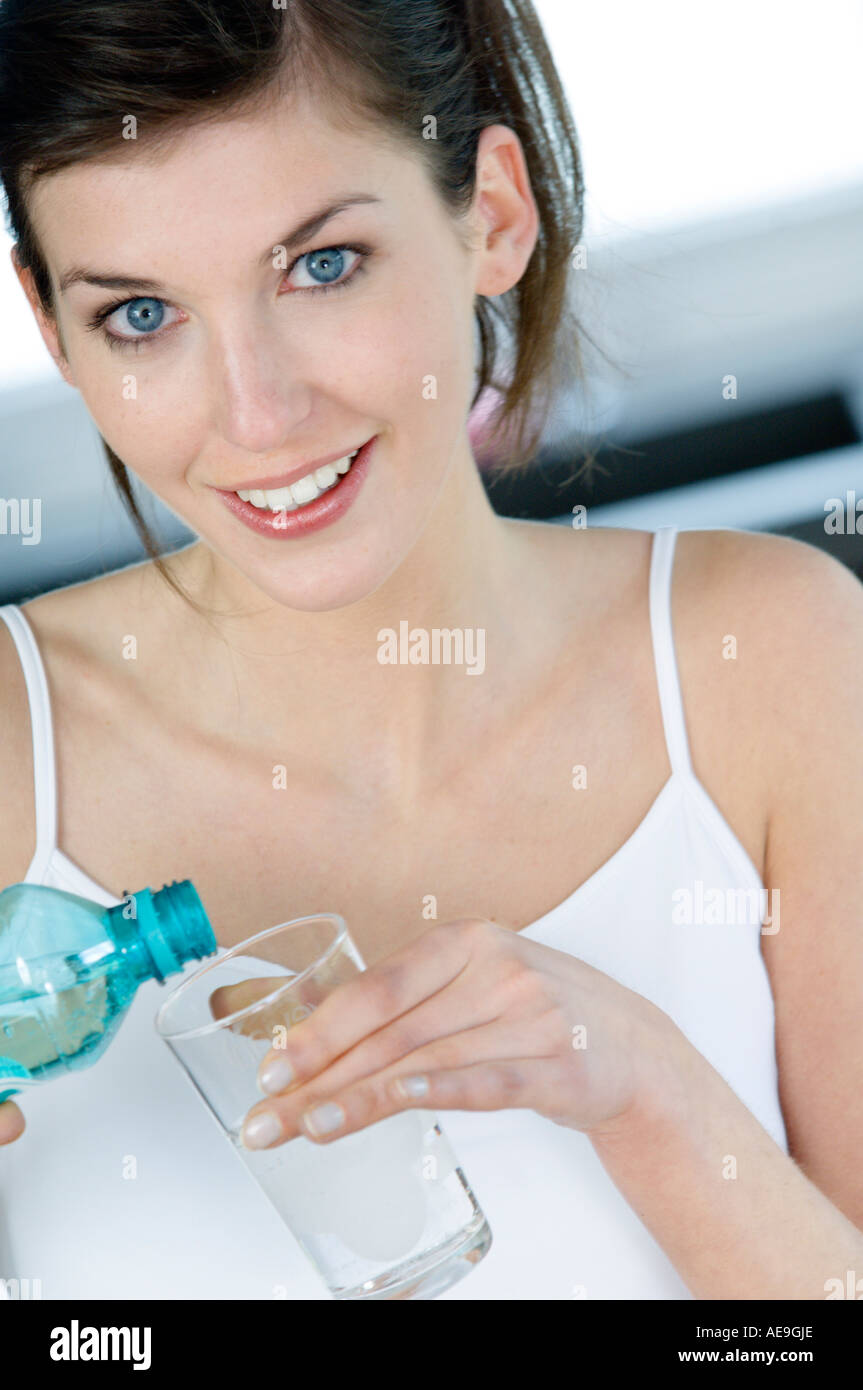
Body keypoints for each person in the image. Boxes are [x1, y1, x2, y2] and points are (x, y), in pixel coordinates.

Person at [0, 0, 861, 1302]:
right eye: (139, 316)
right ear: (53, 328)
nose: (259, 412)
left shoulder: (771, 664)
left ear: (492, 216)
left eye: (322, 265)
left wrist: (646, 1092)